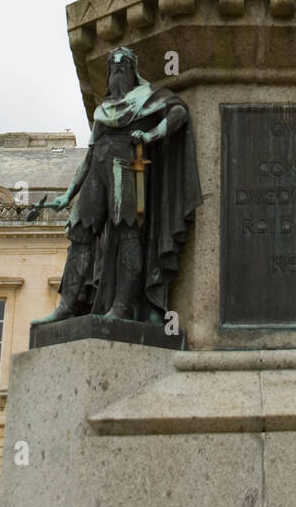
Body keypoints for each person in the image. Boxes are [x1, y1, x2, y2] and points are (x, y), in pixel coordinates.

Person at [32, 47, 201, 326]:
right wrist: (68, 193)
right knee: (80, 232)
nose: (118, 69)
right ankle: (67, 305)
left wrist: (150, 134)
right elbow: (88, 155)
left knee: (127, 233)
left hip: (128, 167)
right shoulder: (103, 110)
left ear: (133, 71)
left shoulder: (149, 98)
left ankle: (122, 307)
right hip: (98, 169)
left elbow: (179, 113)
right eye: (113, 66)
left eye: (123, 66)